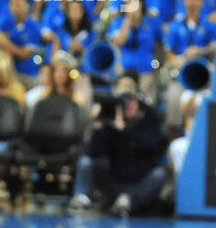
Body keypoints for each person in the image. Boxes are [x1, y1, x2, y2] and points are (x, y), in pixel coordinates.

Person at [68, 75, 168, 216]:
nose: (128, 106)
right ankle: (81, 198)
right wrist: (101, 126)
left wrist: (124, 130)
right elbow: (92, 152)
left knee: (159, 174)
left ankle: (127, 201)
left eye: (131, 101)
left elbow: (152, 145)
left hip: (139, 180)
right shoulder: (110, 119)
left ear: (137, 100)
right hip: (113, 179)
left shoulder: (149, 116)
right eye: (124, 102)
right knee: (85, 162)